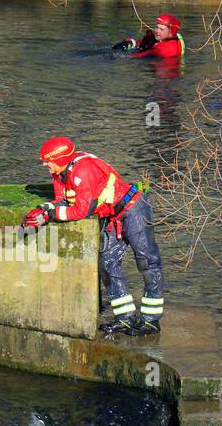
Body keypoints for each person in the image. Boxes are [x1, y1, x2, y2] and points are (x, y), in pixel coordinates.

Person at [25, 136, 165, 336]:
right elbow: (62, 200)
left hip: (133, 209)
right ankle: (125, 318)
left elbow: (82, 210)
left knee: (147, 262)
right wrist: (43, 209)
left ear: (61, 159)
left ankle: (151, 320)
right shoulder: (59, 173)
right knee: (107, 263)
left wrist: (50, 215)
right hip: (113, 215)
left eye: (48, 161)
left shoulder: (83, 171)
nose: (45, 164)